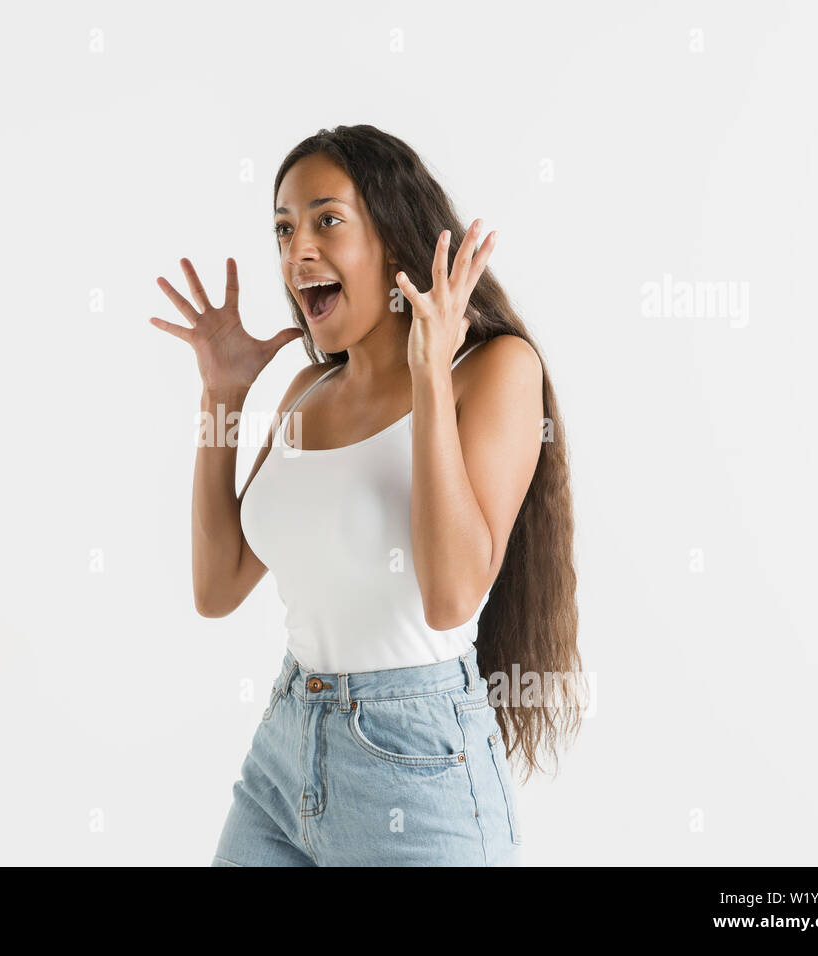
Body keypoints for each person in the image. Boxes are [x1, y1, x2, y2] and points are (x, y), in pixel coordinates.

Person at [151, 125, 583, 866]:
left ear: (392, 236)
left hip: (415, 768)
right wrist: (221, 396)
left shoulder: (496, 369)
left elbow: (451, 597)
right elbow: (217, 587)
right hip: (285, 753)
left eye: (326, 220)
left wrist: (427, 375)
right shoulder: (305, 390)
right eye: (284, 229)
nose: (297, 252)